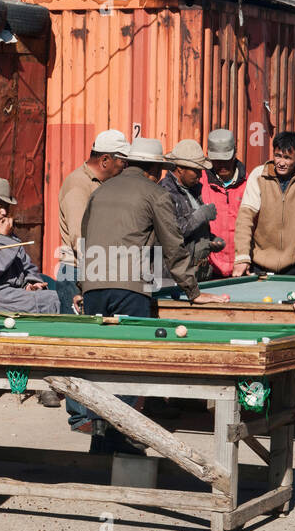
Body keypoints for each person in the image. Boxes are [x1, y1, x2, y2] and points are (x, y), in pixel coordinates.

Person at [78, 158, 229, 452]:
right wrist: (193, 291)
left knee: (100, 362)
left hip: (94, 286)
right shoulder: (155, 193)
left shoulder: (101, 190)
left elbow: (85, 238)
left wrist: (83, 285)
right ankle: (122, 440)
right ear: (156, 169)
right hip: (130, 287)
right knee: (131, 364)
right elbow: (172, 245)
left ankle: (101, 437)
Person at [0, 175, 66, 408]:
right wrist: (2, 239)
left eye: (6, 207)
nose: (3, 212)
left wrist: (31, 282)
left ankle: (44, 378)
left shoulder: (5, 231)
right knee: (51, 300)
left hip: (13, 294)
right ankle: (42, 379)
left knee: (49, 293)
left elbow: (26, 265)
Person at [232, 130, 295, 277]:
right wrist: (242, 257)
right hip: (260, 264)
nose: (281, 162)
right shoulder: (259, 176)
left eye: (287, 158)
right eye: (278, 156)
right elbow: (245, 219)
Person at [57, 130, 129, 282]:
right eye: (123, 161)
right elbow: (79, 238)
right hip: (77, 273)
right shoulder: (78, 185)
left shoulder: (104, 184)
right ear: (105, 160)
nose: (125, 167)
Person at [159, 139, 224, 283]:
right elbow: (172, 231)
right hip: (173, 278)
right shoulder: (165, 192)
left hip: (197, 275)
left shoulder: (194, 190)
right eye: (196, 170)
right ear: (180, 168)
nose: (200, 176)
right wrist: (201, 215)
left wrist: (211, 241)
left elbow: (193, 232)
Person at [200, 128, 248, 278]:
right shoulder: (200, 182)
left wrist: (246, 259)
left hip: (242, 267)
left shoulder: (250, 184)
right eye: (216, 160)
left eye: (225, 159)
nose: (221, 164)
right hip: (208, 269)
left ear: (235, 152)